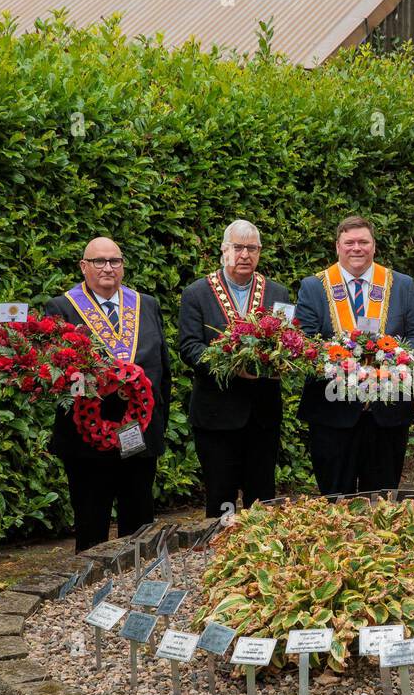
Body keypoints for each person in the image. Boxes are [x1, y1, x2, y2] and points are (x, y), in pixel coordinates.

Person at [46, 237, 171, 551]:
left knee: (140, 527)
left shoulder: (147, 304)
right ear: (83, 266)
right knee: (91, 528)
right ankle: (88, 595)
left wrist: (158, 424)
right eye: (99, 261)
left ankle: (138, 589)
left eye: (115, 261)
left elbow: (162, 369)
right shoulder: (62, 307)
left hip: (139, 435)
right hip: (87, 438)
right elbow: (59, 373)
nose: (108, 268)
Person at [296, 215, 414, 494]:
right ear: (337, 247)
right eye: (349, 242)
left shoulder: (401, 285)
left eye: (363, 242)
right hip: (333, 414)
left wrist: (398, 359)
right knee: (335, 504)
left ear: (374, 246)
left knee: (381, 505)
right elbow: (304, 342)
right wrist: (337, 364)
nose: (357, 248)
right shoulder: (313, 286)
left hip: (386, 414)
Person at [178, 220, 293, 517]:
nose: (245, 255)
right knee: (220, 497)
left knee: (262, 499)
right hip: (216, 415)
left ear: (260, 252)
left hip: (262, 415)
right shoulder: (197, 293)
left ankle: (261, 557)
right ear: (224, 250)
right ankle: (219, 556)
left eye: (251, 248)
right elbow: (189, 347)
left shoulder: (277, 293)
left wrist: (284, 359)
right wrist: (229, 366)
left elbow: (287, 340)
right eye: (238, 247)